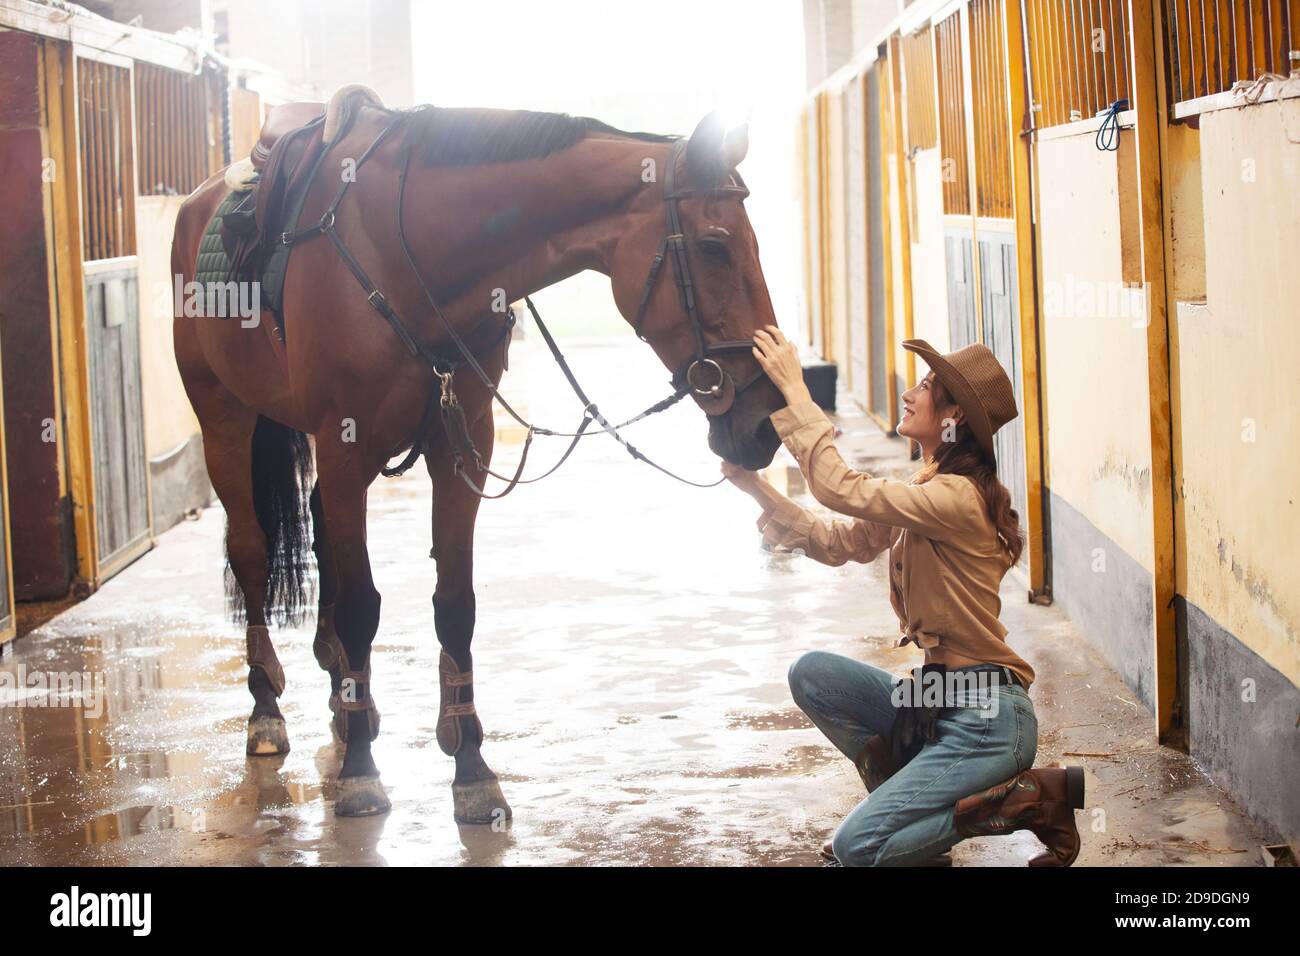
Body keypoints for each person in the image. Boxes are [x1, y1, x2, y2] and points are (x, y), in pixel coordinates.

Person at [720, 325, 1085, 867]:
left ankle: (1028, 802)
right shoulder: (926, 486)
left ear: (952, 415)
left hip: (989, 720)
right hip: (934, 702)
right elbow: (842, 542)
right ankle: (907, 822)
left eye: (925, 387)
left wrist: (798, 393)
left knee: (856, 848)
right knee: (813, 674)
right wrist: (755, 486)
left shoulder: (956, 496)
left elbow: (839, 487)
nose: (909, 394)